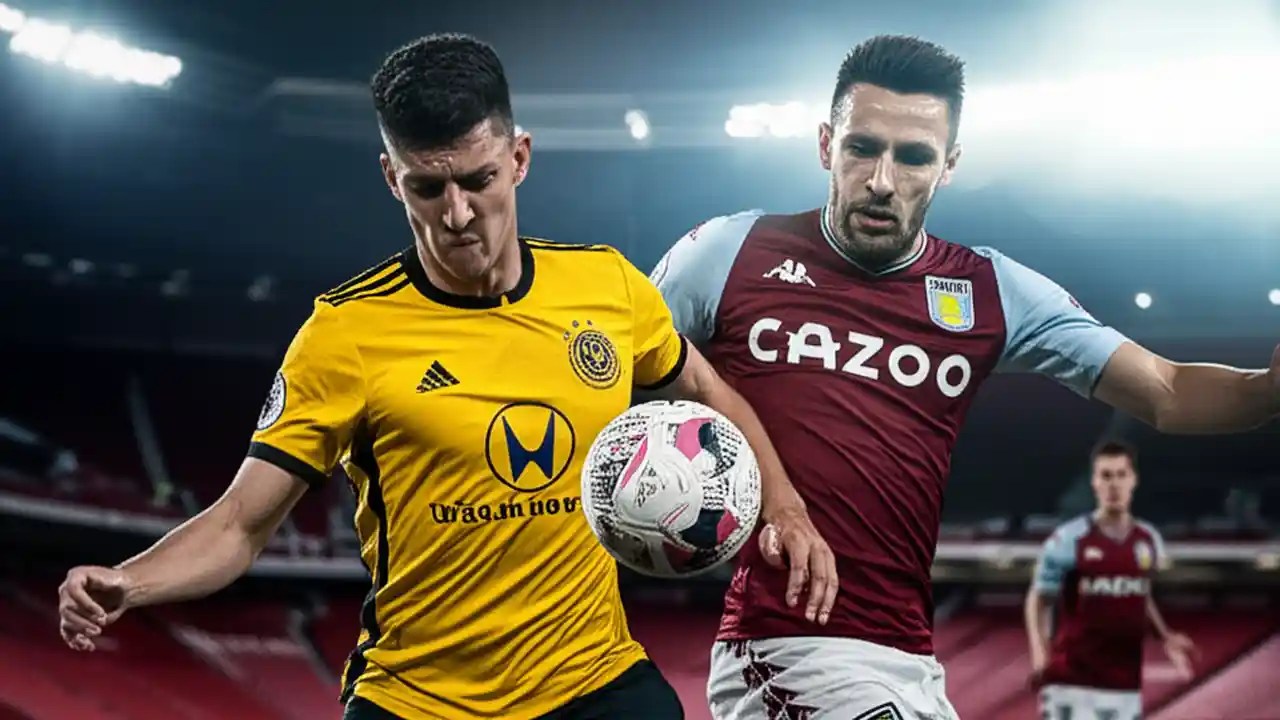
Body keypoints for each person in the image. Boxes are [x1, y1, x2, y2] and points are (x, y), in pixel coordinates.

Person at [55, 34, 836, 720]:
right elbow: (239, 524)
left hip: (591, 681)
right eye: (428, 188)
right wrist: (127, 582)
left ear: (519, 159)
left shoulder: (608, 288)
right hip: (419, 698)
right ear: (392, 179)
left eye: (478, 179)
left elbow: (705, 391)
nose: (457, 214)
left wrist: (787, 506)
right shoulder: (345, 334)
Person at [651, 33, 1279, 720]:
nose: (882, 179)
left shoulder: (988, 290)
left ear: (948, 166)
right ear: (826, 145)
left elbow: (1165, 390)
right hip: (786, 649)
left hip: (911, 661)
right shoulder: (728, 253)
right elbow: (616, 381)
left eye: (913, 156)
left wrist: (1267, 390)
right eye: (863, 148)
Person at [1026, 440, 1197, 720]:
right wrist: (1039, 653)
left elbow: (1139, 594)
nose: (1113, 484)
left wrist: (1164, 635)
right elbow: (1039, 599)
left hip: (1124, 686)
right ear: (1094, 482)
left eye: (1120, 475)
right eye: (1106, 476)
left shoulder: (1148, 540)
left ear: (1133, 480)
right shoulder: (1069, 540)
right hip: (1072, 683)